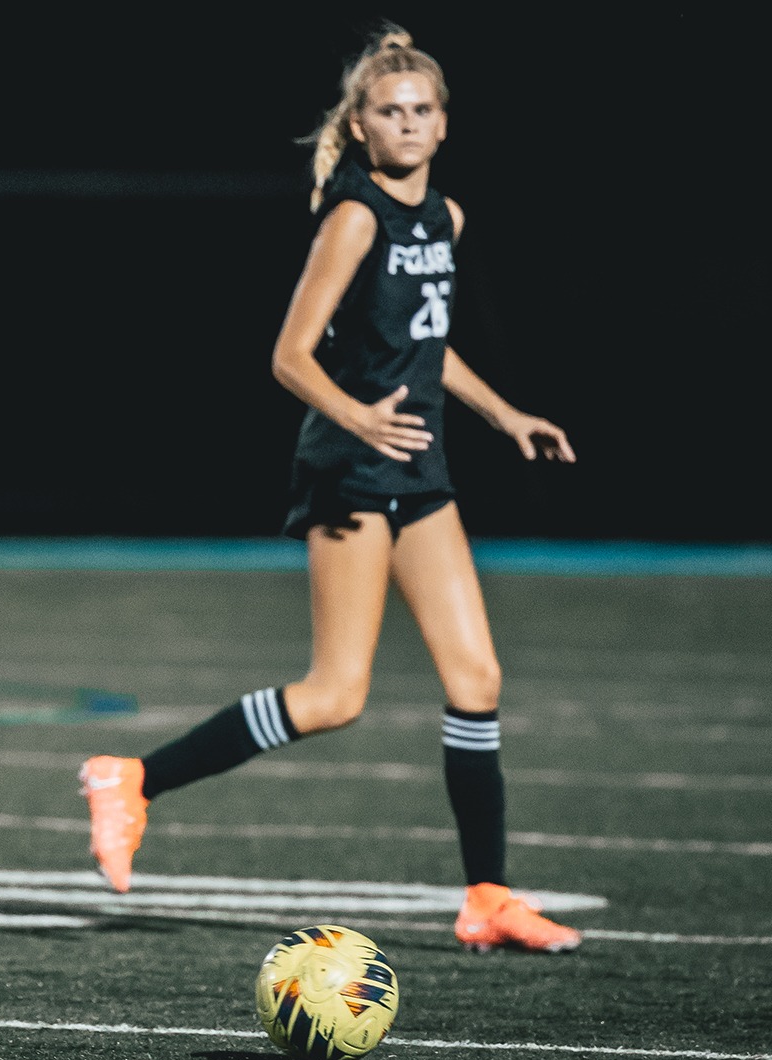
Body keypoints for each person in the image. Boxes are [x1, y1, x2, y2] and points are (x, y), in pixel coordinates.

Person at [80, 25, 584, 955]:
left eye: (423, 110)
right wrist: (358, 420)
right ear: (359, 125)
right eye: (390, 112)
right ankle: (131, 778)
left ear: (443, 122)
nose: (409, 125)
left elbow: (427, 347)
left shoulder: (448, 217)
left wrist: (504, 414)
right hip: (350, 469)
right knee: (333, 694)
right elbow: (288, 357)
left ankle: (488, 896)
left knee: (477, 678)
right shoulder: (354, 217)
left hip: (421, 471)